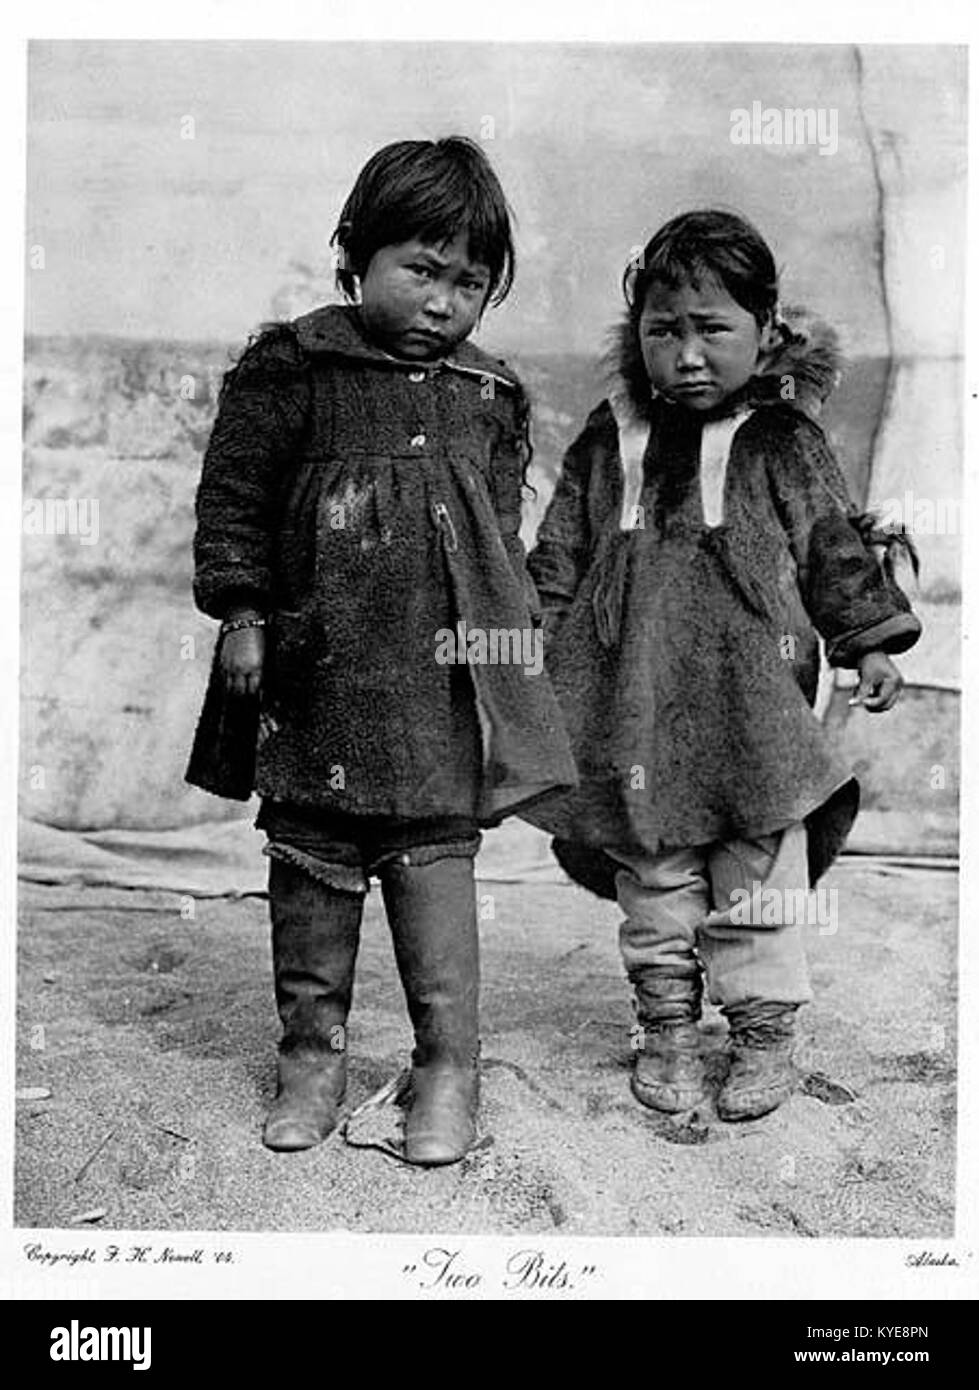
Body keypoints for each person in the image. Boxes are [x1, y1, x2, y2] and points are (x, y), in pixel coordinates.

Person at [186, 136, 575, 1164]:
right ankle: (310, 1058)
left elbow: (496, 535)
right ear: (353, 256)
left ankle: (448, 1066)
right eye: (421, 268)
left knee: (432, 857)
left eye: (469, 282)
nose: (443, 300)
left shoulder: (490, 395)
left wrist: (508, 649)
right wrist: (243, 612)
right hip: (316, 670)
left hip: (440, 679)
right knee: (311, 860)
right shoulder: (291, 368)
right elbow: (234, 502)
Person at [526, 209, 921, 1121]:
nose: (688, 354)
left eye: (713, 329)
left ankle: (762, 1033)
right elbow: (559, 549)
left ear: (765, 329)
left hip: (754, 709)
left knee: (755, 875)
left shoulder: (784, 440)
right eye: (664, 331)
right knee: (654, 875)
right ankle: (664, 1024)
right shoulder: (613, 432)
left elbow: (832, 546)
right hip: (632, 707)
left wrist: (866, 640)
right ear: (637, 335)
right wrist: (530, 650)